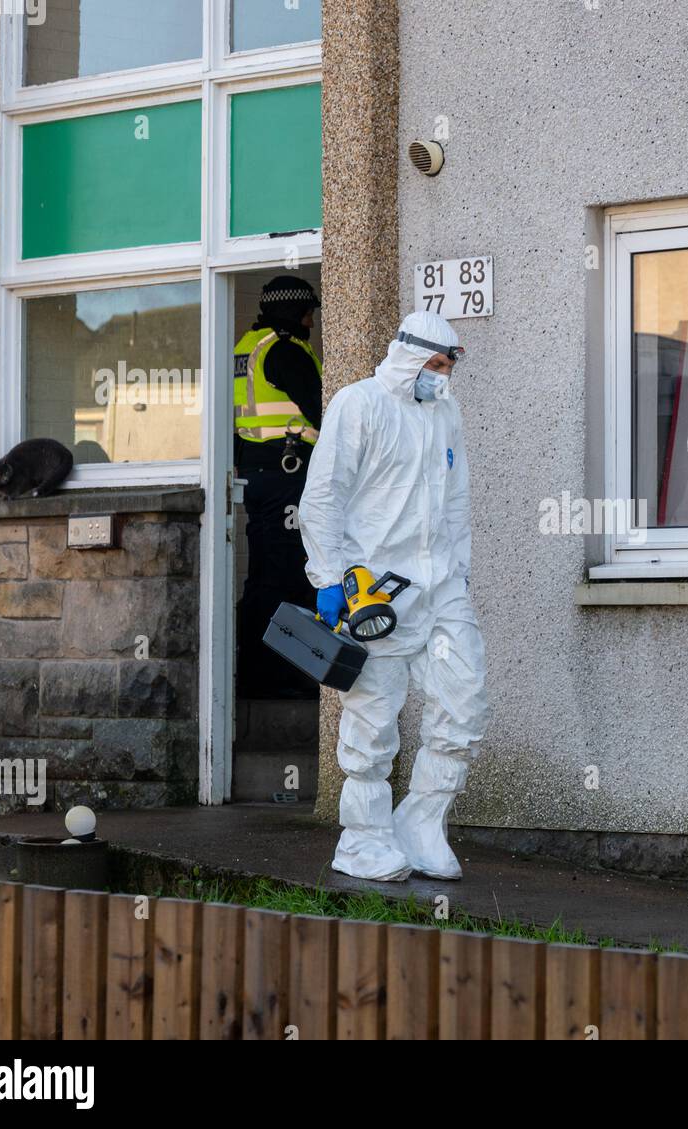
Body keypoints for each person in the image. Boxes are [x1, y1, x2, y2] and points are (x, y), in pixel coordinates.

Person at [299, 311, 489, 881]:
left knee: (464, 703)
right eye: (434, 366)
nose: (441, 378)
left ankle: (422, 824)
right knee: (374, 719)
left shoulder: (445, 413)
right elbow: (323, 497)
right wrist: (328, 577)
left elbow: (456, 501)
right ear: (409, 356)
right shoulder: (360, 405)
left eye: (448, 368)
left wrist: (459, 572)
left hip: (441, 590)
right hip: (374, 591)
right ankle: (363, 839)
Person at [234, 275, 325, 699]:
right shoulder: (285, 350)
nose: (313, 318)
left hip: (258, 477)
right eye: (309, 310)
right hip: (287, 476)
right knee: (290, 575)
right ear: (292, 311)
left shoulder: (248, 347)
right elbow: (324, 414)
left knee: (264, 576)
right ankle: (282, 677)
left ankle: (256, 674)